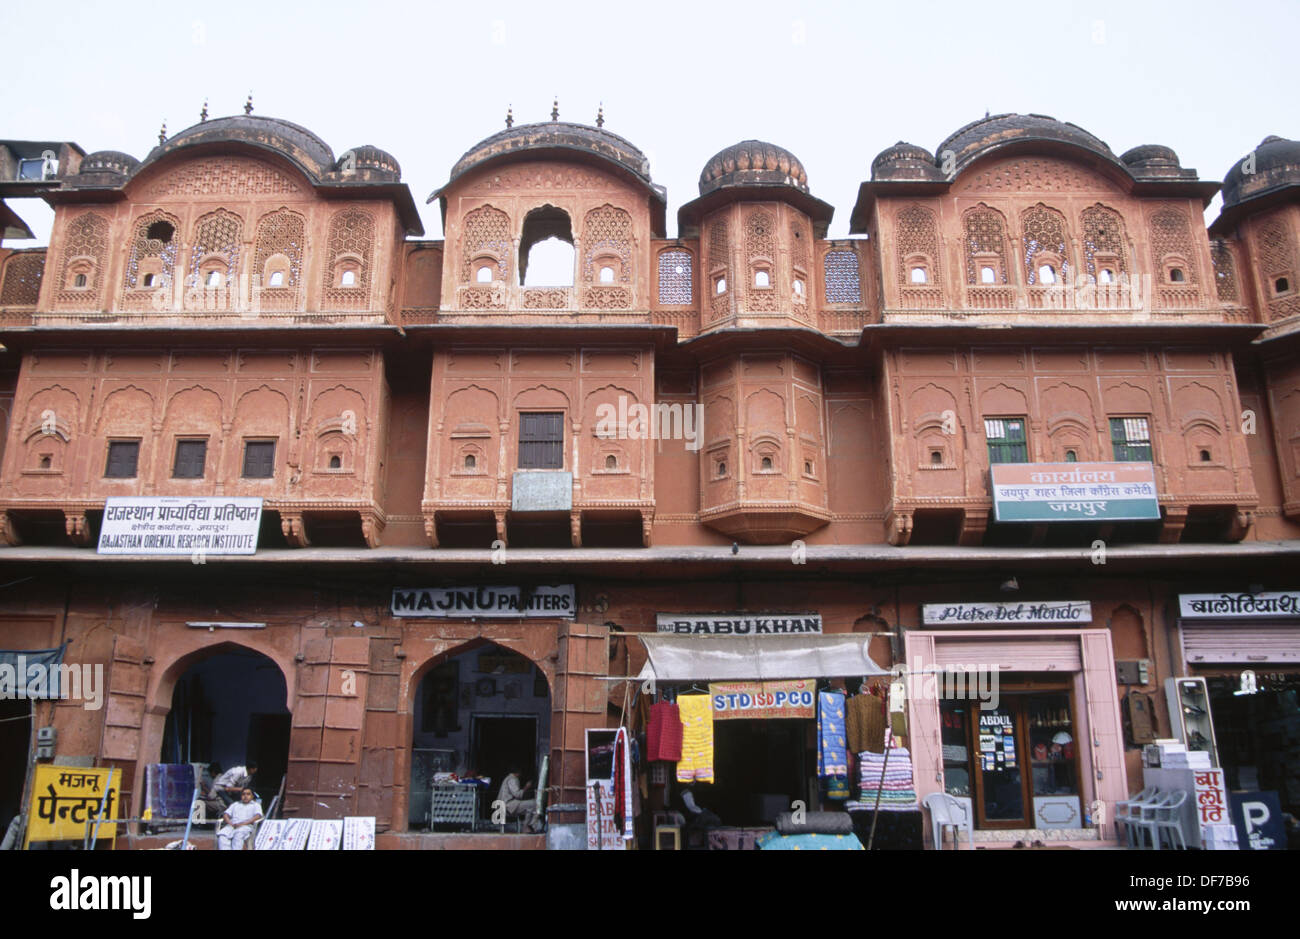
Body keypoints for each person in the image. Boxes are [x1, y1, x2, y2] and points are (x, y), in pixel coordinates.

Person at [497, 765, 540, 832]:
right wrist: (526, 786)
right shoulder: (512, 779)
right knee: (535, 804)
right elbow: (517, 794)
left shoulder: (508, 778)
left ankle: (527, 826)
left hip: (505, 805)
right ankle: (527, 826)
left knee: (530, 807)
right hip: (508, 805)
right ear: (517, 772)